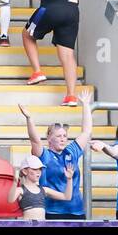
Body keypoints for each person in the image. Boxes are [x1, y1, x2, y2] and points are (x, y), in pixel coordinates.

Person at [23, 0, 83, 105]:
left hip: (50, 9)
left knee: (27, 34)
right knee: (67, 55)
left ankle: (37, 72)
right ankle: (71, 95)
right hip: (71, 11)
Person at [22, 91, 93, 220]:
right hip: (53, 212)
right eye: (58, 136)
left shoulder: (72, 151)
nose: (63, 139)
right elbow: (34, 140)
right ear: (49, 138)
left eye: (65, 136)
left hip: (76, 210)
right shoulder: (45, 155)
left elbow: (86, 131)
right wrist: (29, 119)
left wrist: (86, 105)